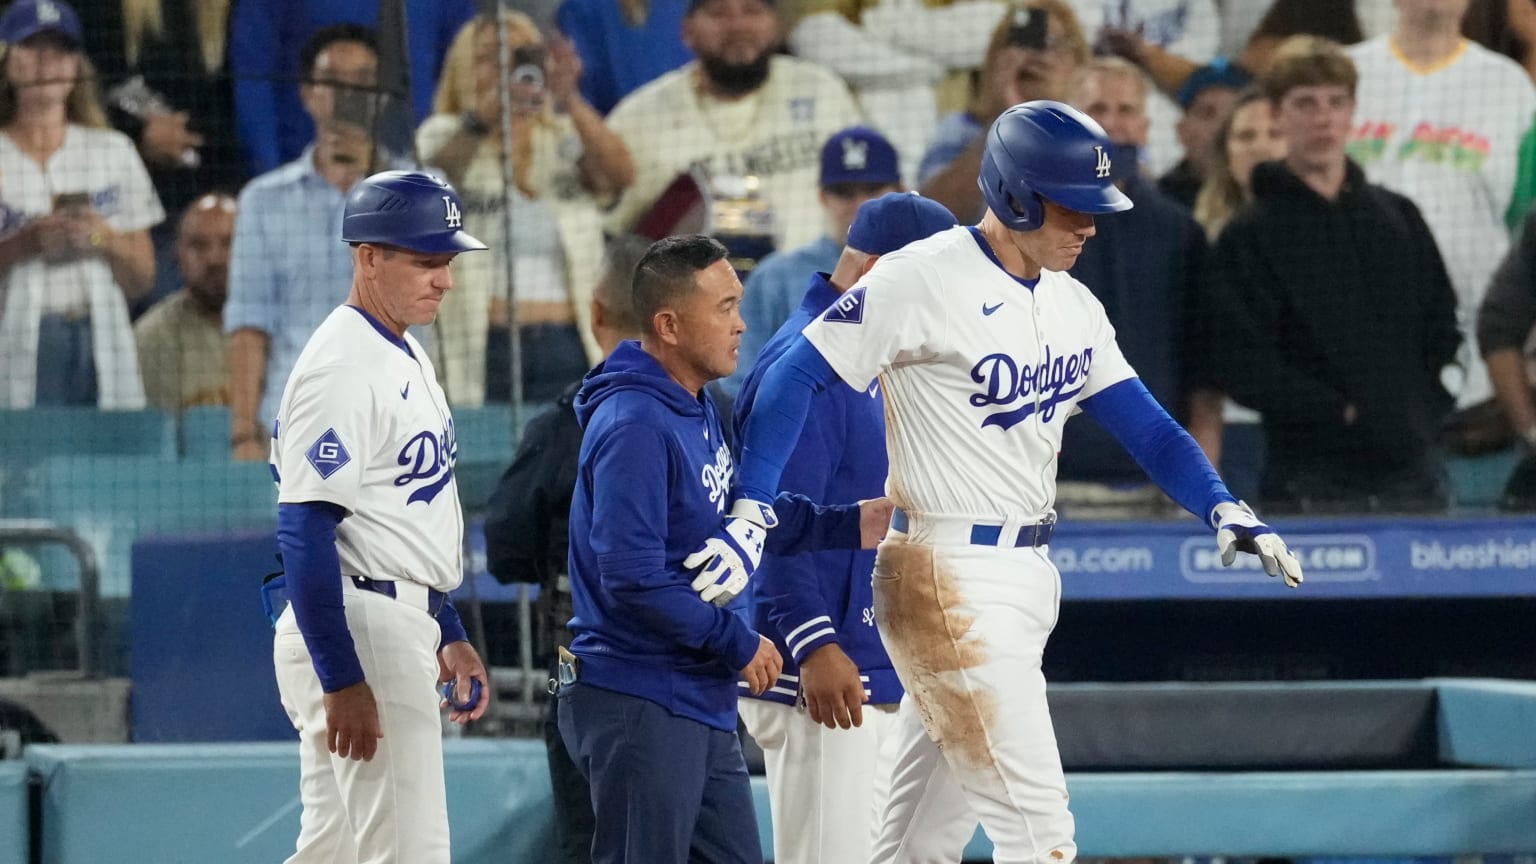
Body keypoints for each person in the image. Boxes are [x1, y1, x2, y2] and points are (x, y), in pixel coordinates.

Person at [727, 100, 1304, 863]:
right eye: (1075, 207)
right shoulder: (922, 276)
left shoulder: (1072, 300)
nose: (1092, 225)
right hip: (946, 575)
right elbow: (792, 374)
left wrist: (1222, 504)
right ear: (1018, 196)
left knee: (912, 845)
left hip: (1023, 572)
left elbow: (1148, 425)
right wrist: (752, 509)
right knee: (1041, 837)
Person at [556, 233, 893, 864]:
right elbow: (631, 577)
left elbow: (747, 513)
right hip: (640, 694)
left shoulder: (696, 405)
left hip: (696, 693)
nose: (741, 325)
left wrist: (846, 525)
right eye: (725, 308)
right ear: (670, 325)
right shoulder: (634, 424)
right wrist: (735, 640)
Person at [268, 170, 490, 864]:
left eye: (447, 262)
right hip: (361, 621)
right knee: (408, 852)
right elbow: (304, 528)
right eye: (425, 261)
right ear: (368, 257)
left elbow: (403, 509)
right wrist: (342, 677)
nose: (443, 280)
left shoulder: (400, 346)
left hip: (393, 615)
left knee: (332, 852)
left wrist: (445, 626)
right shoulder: (343, 364)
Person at [733, 190, 955, 864]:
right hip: (823, 672)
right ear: (878, 271)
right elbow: (765, 519)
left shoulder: (873, 357)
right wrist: (814, 644)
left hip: (876, 665)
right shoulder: (807, 366)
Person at [1204, 35, 1461, 513]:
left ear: (1352, 112)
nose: (1323, 117)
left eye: (1335, 102)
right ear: (1278, 115)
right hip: (1307, 478)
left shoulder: (1399, 217)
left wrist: (1424, 408)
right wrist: (1336, 411)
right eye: (1305, 103)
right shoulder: (1249, 236)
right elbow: (1240, 361)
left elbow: (1442, 324)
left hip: (1414, 473)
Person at [480, 233, 651, 864]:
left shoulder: (566, 421)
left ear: (596, 312)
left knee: (591, 839)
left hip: (587, 661)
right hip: (703, 662)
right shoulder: (714, 413)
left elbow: (505, 549)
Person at [418, 12, 633, 407]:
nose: (504, 68)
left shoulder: (565, 138)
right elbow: (429, 181)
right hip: (484, 348)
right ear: (462, 68)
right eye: (488, 58)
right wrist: (484, 118)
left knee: (575, 460)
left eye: (519, 56)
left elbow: (620, 176)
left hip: (570, 342)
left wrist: (568, 96)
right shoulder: (444, 134)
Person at [1346, 0, 1536, 408]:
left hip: (1474, 356)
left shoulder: (1510, 86)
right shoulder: (1345, 74)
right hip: (1353, 341)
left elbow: (1522, 213)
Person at [1055, 57, 1215, 517]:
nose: (1110, 124)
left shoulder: (1180, 232)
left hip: (1156, 490)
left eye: (1125, 110)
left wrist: (1202, 493)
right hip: (1044, 489)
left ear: (1145, 126)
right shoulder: (1024, 227)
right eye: (1095, 109)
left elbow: (1202, 377)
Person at [226, 25, 384, 459]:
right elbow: (248, 323)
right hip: (294, 420)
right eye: (333, 81)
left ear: (382, 96)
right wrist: (243, 434)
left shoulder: (422, 190)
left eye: (363, 83)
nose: (347, 95)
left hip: (393, 421)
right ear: (308, 94)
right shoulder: (262, 200)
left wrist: (374, 171)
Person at [0, 0, 163, 409]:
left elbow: (143, 278)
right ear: (7, 60)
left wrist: (100, 237)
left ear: (77, 65)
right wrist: (25, 243)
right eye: (32, 49)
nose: (47, 63)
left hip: (100, 333)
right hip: (16, 336)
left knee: (108, 465)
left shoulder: (113, 150)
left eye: (60, 51)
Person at [602, 0, 863, 255]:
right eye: (718, 13)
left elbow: (867, 191)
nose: (738, 25)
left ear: (777, 25)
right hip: (703, 294)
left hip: (821, 285)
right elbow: (612, 234)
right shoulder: (639, 117)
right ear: (687, 31)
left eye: (752, 10)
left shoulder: (821, 90)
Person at [724, 125, 903, 396]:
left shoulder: (924, 269)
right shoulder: (775, 276)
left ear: (900, 191)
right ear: (822, 196)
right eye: (843, 192)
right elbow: (739, 383)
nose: (859, 204)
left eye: (872, 189)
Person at [229, 0, 477, 176]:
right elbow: (254, 76)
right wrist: (270, 171)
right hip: (309, 171)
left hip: (417, 164)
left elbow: (463, 73)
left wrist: (451, 165)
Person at [917, 0, 1090, 221]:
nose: (1037, 57)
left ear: (1078, 61)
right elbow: (930, 213)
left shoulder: (1103, 120)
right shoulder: (961, 130)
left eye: (1054, 44)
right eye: (1023, 40)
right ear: (995, 59)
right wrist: (1005, 124)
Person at [133, 193, 236, 411]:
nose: (214, 258)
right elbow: (159, 437)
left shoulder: (290, 327)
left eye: (228, 243)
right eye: (199, 245)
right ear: (177, 255)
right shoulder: (153, 337)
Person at [554, 0, 695, 115]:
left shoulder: (687, 7)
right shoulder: (579, 10)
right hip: (613, 132)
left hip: (691, 126)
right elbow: (583, 93)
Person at [1156, 58, 1251, 209]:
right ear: (1182, 130)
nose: (1221, 128)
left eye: (1233, 115)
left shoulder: (1273, 201)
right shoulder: (1157, 206)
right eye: (1207, 114)